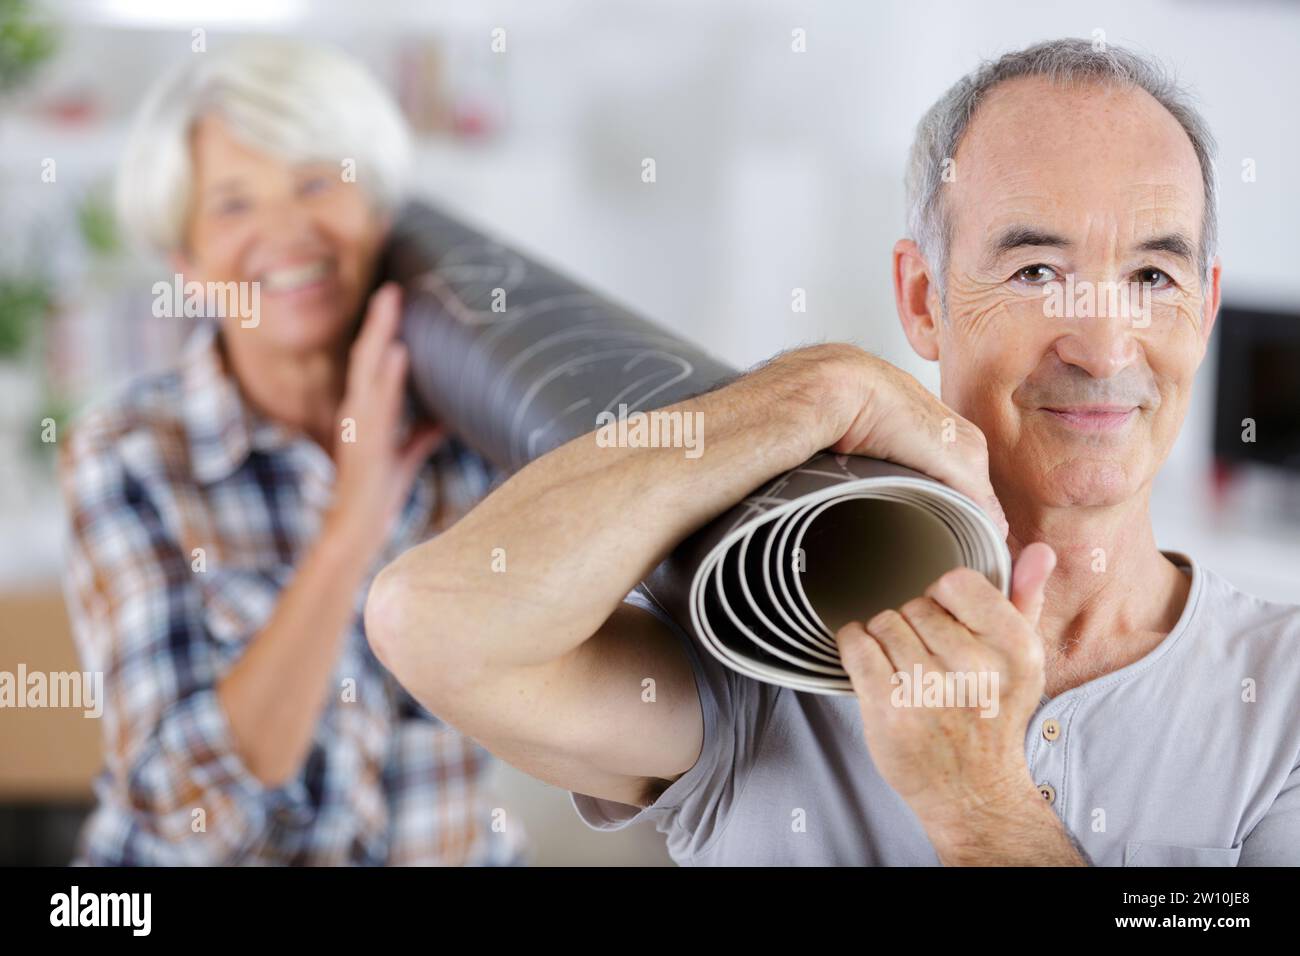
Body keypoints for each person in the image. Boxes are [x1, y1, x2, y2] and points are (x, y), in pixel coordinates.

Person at [365, 39, 1300, 866]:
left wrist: (979, 805)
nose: (1103, 347)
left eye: (1151, 275)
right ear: (923, 299)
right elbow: (428, 620)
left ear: (1205, 306)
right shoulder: (766, 632)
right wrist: (808, 394)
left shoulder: (1283, 698)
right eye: (1036, 272)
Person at [61, 38, 522, 865]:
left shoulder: (476, 432)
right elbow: (183, 810)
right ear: (188, 265)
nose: (287, 231)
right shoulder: (128, 455)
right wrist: (352, 527)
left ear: (377, 217)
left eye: (316, 183)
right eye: (233, 204)